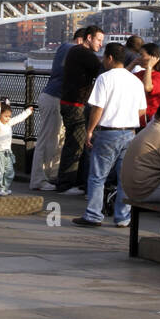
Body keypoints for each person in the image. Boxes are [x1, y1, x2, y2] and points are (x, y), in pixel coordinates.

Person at [72, 42, 146, 228]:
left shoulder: (104, 79)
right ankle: (123, 218)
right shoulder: (135, 81)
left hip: (108, 133)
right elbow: (142, 110)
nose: (103, 61)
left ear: (110, 58)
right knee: (124, 177)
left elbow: (98, 108)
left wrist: (90, 130)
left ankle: (94, 215)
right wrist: (126, 118)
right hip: (130, 132)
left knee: (98, 176)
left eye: (104, 57)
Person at [30, 27, 84, 190]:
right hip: (53, 98)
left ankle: (52, 176)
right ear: (82, 40)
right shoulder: (70, 48)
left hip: (58, 99)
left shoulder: (66, 48)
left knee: (59, 140)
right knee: (47, 140)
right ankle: (38, 180)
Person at [55, 24, 105, 195]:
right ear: (89, 38)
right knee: (75, 145)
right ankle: (65, 185)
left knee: (75, 143)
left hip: (70, 103)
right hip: (75, 105)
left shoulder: (75, 52)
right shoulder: (84, 53)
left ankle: (72, 181)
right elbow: (104, 71)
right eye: (98, 40)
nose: (100, 44)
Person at [0, 98, 32, 196]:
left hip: (7, 152)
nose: (8, 118)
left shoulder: (8, 123)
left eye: (9, 116)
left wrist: (28, 111)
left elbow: (18, 118)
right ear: (0, 115)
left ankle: (4, 188)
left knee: (9, 172)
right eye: (5, 116)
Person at [130, 42, 160, 124]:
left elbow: (147, 87)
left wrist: (149, 66)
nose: (139, 58)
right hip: (135, 117)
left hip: (150, 119)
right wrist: (132, 64)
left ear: (152, 57)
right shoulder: (140, 73)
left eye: (142, 55)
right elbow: (121, 77)